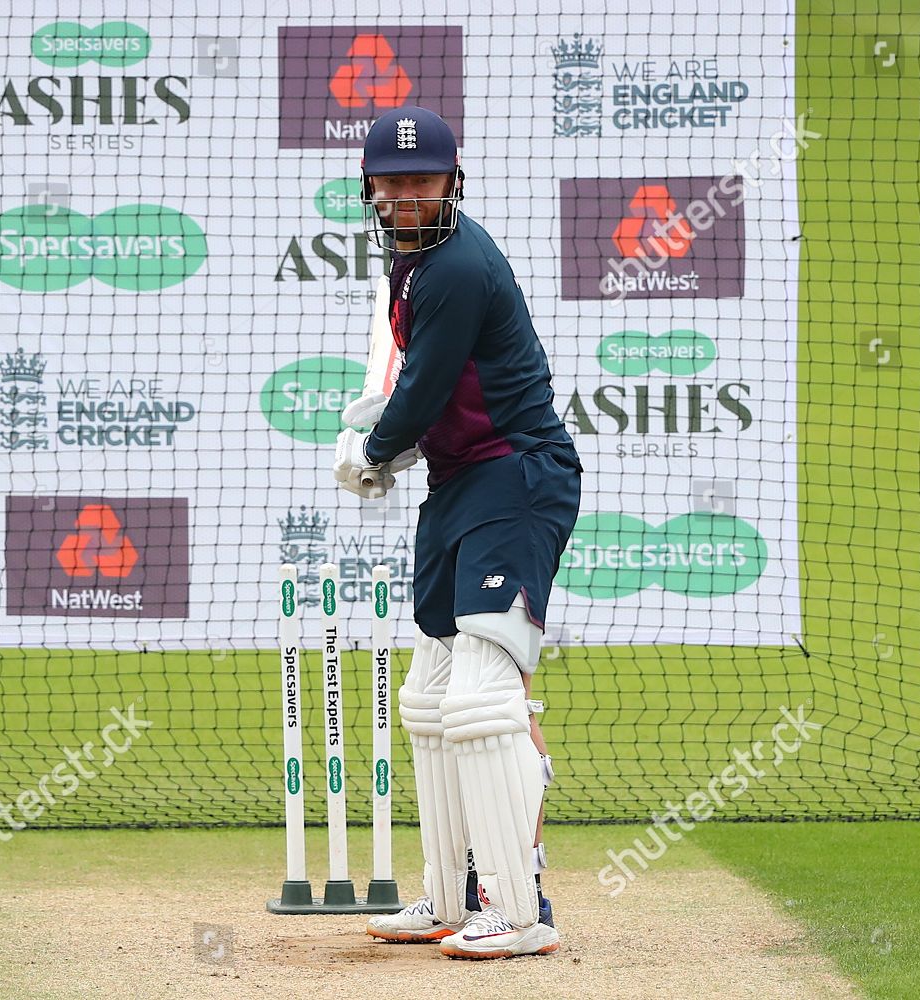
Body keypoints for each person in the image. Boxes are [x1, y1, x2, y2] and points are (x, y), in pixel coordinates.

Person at [332, 105, 582, 960]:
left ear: (454, 182)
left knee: (481, 695)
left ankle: (519, 911)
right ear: (370, 189)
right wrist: (397, 439)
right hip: (460, 480)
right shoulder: (410, 261)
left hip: (515, 476)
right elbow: (430, 385)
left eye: (423, 180)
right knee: (431, 696)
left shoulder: (456, 267)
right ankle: (447, 898)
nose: (407, 196)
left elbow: (429, 386)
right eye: (392, 182)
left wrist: (373, 450)